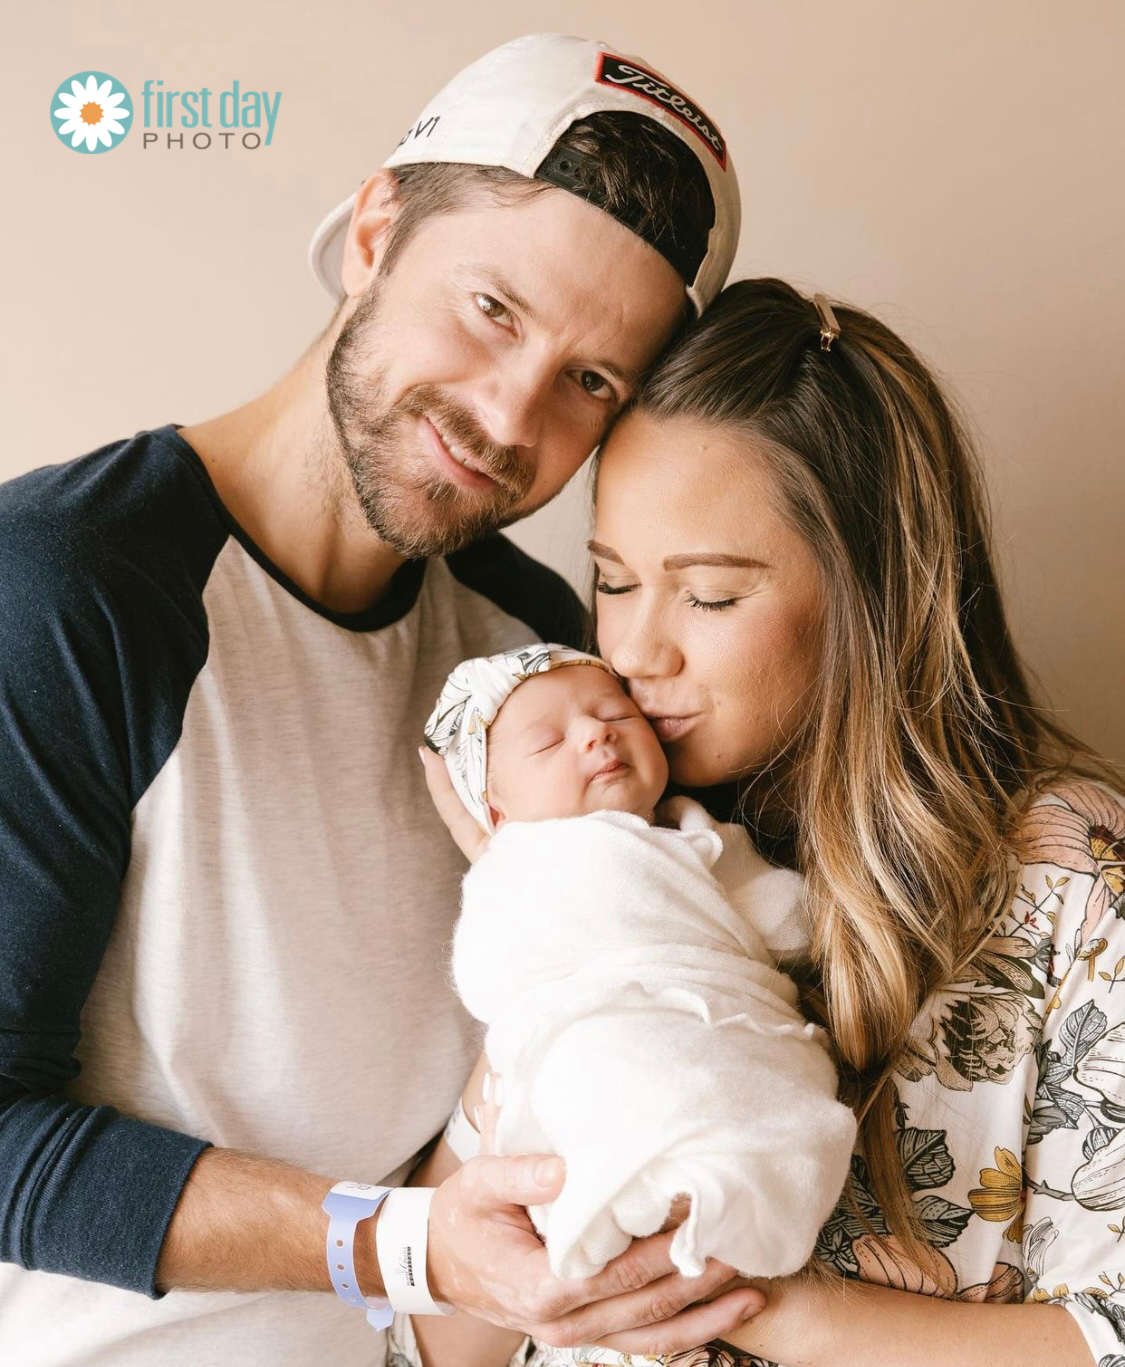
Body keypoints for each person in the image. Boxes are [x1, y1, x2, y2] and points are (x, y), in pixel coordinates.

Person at [0, 33, 759, 1367]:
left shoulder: (536, 652)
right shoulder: (70, 585)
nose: (508, 414)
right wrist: (397, 1238)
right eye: (494, 310)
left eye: (591, 380)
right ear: (374, 231)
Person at [419, 278, 1125, 1366]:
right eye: (611, 580)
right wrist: (548, 946)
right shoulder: (600, 833)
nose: (638, 654)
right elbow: (434, 1350)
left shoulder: (1068, 877)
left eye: (708, 597)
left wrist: (763, 1306)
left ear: (869, 593)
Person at [423, 644, 854, 1278]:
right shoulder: (515, 870)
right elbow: (491, 974)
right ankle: (629, 1194)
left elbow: (790, 923)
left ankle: (731, 1187)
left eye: (616, 716)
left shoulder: (699, 836)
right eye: (548, 743)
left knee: (769, 1105)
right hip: (599, 1029)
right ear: (496, 812)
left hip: (724, 1025)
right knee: (606, 1083)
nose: (596, 733)